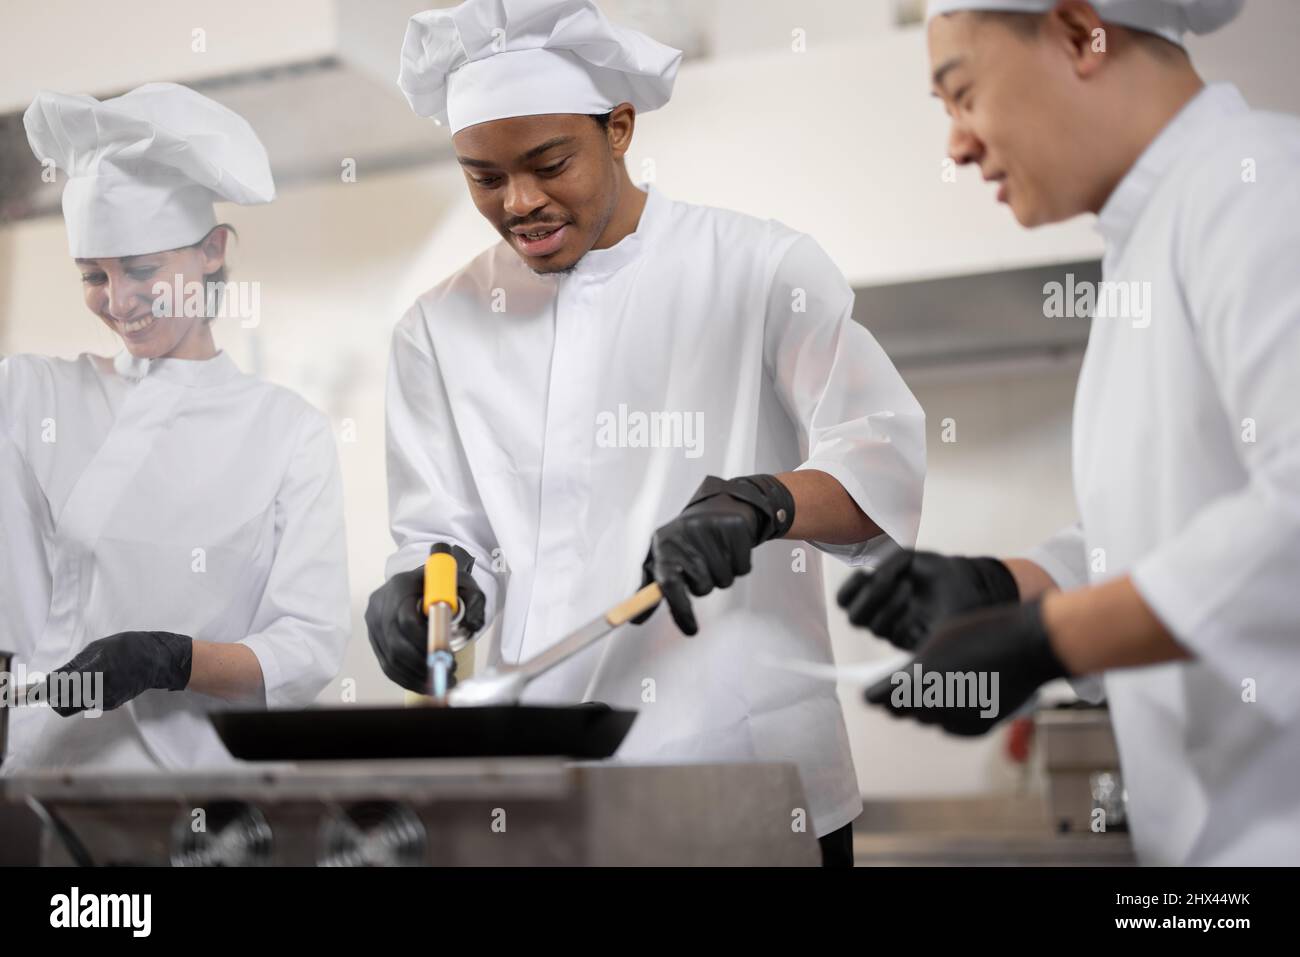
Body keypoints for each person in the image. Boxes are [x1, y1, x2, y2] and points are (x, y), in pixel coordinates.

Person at [364, 0, 926, 865]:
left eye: (549, 163)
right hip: (543, 787)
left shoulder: (761, 269)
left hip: (749, 774)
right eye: (483, 177)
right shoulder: (437, 328)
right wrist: (420, 595)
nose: (520, 202)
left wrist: (764, 502)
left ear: (619, 127)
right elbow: (441, 541)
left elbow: (881, 456)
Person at [838, 0, 1300, 865]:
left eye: (962, 93)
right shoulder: (1145, 248)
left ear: (1080, 33)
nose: (957, 145)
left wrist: (1050, 640)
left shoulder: (1262, 186)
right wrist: (1001, 589)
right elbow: (1162, 536)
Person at [0, 82, 351, 772]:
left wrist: (173, 658)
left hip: (196, 797)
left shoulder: (287, 432)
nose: (118, 300)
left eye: (141, 269)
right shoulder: (27, 391)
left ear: (213, 250)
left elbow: (307, 647)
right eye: (92, 276)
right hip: (30, 778)